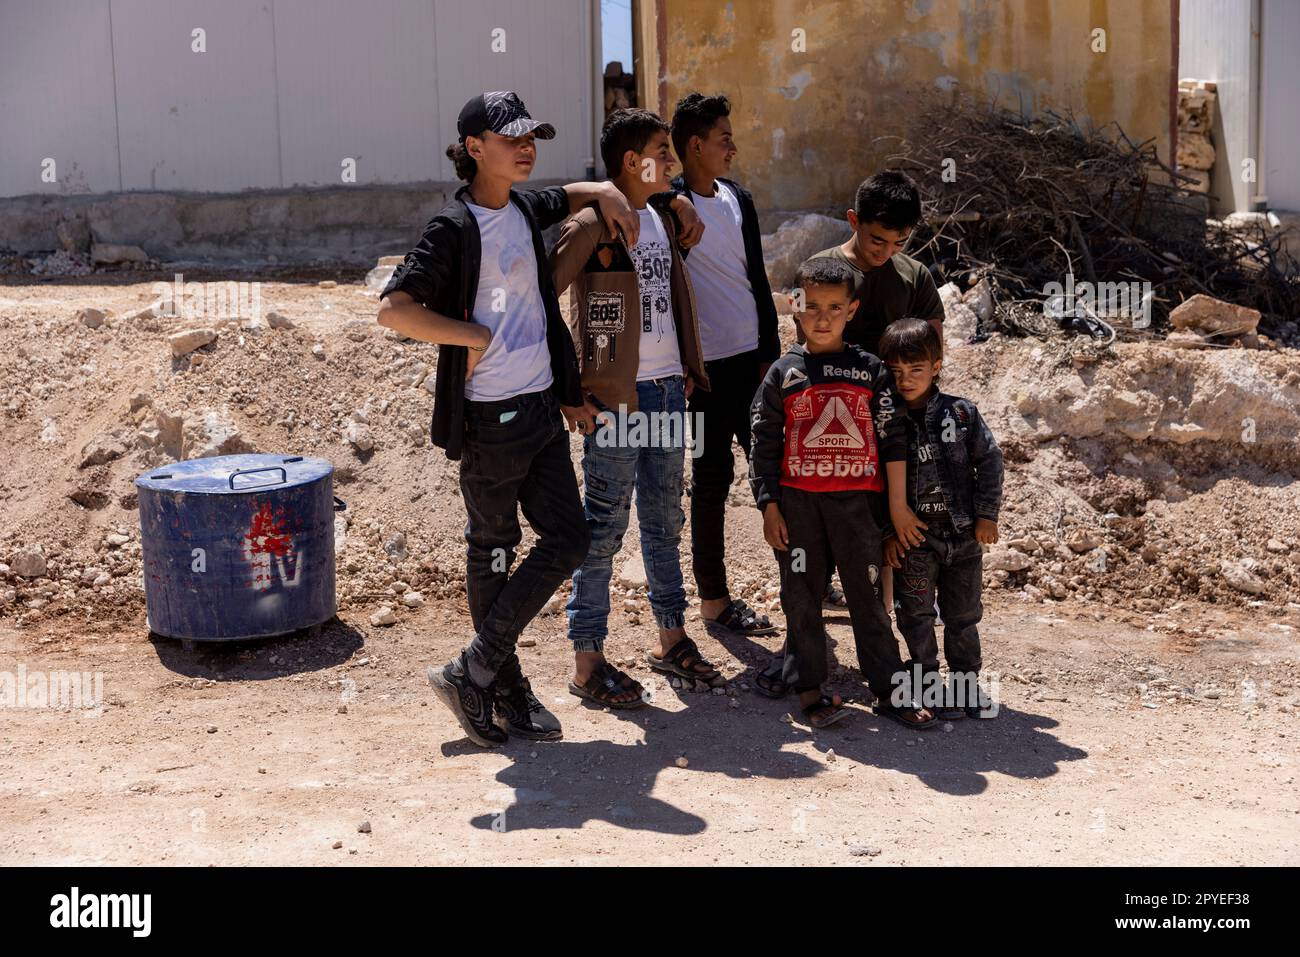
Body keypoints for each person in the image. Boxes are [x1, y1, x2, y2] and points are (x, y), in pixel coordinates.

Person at [377, 91, 693, 747]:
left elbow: (573, 196)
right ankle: (504, 685)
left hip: (544, 410)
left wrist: (609, 192)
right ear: (474, 149)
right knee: (492, 552)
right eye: (512, 138)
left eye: (533, 138)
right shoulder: (453, 227)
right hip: (490, 421)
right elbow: (395, 309)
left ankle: (476, 668)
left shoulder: (522, 206)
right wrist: (469, 336)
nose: (527, 148)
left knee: (570, 539)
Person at [550, 107, 721, 707]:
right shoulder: (593, 225)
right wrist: (570, 391)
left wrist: (677, 201)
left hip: (669, 390)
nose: (673, 163)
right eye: (663, 152)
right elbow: (543, 300)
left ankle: (671, 638)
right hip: (615, 400)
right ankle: (587, 658)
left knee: (663, 523)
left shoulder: (663, 218)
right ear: (632, 161)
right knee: (603, 528)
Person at [749, 257, 936, 729]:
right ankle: (809, 690)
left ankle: (891, 691)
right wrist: (769, 505)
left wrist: (895, 508)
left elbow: (893, 438)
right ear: (795, 307)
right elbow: (763, 441)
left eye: (834, 306)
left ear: (852, 309)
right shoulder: (783, 373)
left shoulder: (871, 370)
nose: (823, 316)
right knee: (801, 596)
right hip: (798, 508)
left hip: (858, 509)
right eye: (811, 306)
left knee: (869, 601)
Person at [667, 92, 780, 639]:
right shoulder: (669, 206)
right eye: (724, 138)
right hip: (705, 374)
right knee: (711, 482)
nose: (733, 147)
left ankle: (802, 583)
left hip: (753, 365)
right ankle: (714, 602)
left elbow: (756, 278)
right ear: (695, 146)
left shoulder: (740, 200)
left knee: (776, 478)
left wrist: (771, 356)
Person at [879, 318, 1003, 719]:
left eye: (916, 369)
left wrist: (986, 515)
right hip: (914, 541)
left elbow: (990, 460)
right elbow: (873, 484)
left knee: (963, 616)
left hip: (964, 537)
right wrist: (888, 533)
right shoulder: (883, 420)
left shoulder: (961, 414)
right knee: (915, 615)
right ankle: (925, 686)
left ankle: (965, 687)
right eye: (895, 371)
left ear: (936, 366)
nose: (905, 380)